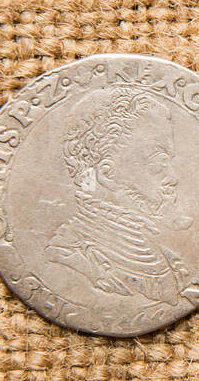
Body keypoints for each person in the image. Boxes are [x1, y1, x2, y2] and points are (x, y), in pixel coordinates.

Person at [46, 89, 189, 301]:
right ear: (107, 174)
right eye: (159, 161)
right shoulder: (68, 262)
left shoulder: (169, 263)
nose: (173, 178)